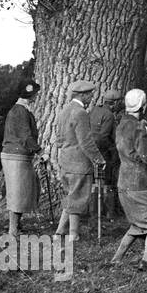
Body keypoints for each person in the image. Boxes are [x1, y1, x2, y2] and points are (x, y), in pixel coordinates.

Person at [110, 90, 147, 272]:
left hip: (123, 181)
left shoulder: (121, 124)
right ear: (143, 106)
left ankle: (116, 259)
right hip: (139, 182)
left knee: (138, 224)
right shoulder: (139, 127)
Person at [56, 80, 105, 240]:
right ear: (82, 95)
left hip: (65, 161)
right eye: (90, 94)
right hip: (79, 163)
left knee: (71, 197)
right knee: (77, 199)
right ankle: (73, 235)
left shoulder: (64, 110)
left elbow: (59, 139)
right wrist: (98, 159)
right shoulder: (81, 112)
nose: (92, 97)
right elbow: (85, 141)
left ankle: (59, 233)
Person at [1, 80, 41, 239]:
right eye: (35, 94)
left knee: (21, 192)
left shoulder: (21, 110)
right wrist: (40, 151)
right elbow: (25, 136)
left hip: (19, 155)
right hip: (16, 156)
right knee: (17, 193)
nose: (37, 96)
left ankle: (16, 226)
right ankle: (13, 230)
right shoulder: (20, 111)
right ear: (29, 95)